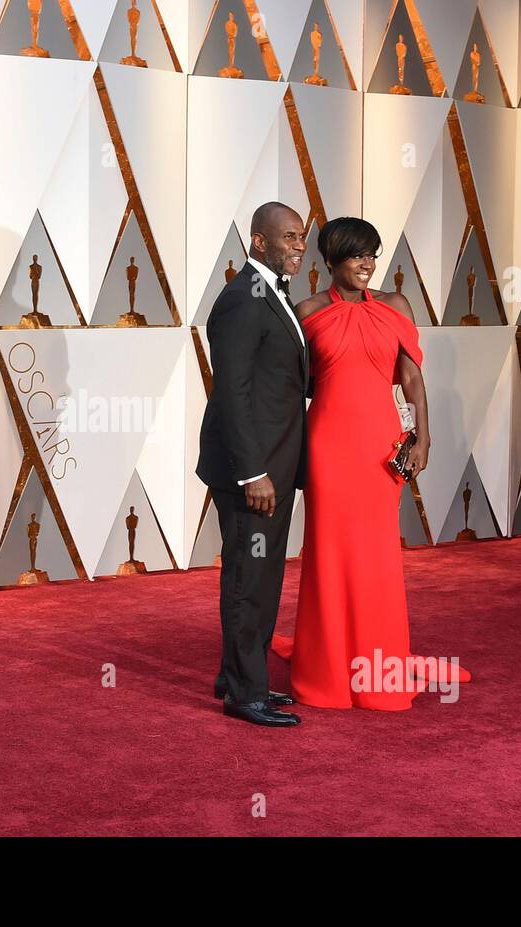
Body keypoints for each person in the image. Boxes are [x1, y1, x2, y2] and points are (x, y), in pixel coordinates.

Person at [270, 217, 468, 710]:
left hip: (381, 447)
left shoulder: (394, 306)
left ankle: (377, 665)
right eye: (356, 255)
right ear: (330, 260)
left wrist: (423, 437)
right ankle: (327, 665)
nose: (366, 263)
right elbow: (293, 389)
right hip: (328, 447)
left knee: (377, 554)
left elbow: (412, 380)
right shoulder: (307, 310)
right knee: (328, 553)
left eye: (372, 254)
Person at [196, 202, 310, 727]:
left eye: (302, 237)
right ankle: (245, 694)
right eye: (288, 237)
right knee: (247, 577)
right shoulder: (243, 299)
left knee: (263, 578)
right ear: (258, 242)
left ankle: (241, 676)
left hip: (276, 468)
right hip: (254, 473)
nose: (299, 246)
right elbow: (232, 395)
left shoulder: (274, 296)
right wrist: (252, 473)